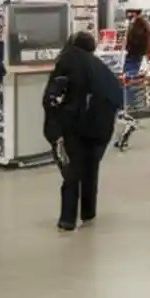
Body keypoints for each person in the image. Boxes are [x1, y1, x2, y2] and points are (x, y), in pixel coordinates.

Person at [43, 31, 122, 231]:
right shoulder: (99, 67)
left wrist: (55, 124)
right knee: (91, 169)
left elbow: (53, 95)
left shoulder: (68, 60)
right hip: (100, 126)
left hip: (75, 124)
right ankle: (88, 212)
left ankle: (68, 219)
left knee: (72, 170)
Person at [120, 12, 150, 140]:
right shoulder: (144, 39)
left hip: (130, 73)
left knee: (131, 107)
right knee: (136, 108)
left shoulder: (131, 41)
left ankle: (127, 130)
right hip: (136, 72)